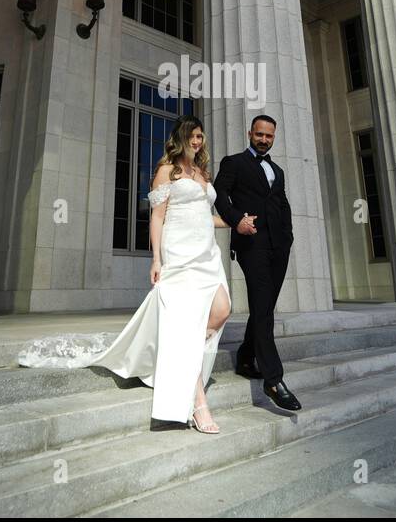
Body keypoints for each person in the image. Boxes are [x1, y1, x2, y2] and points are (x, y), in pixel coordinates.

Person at [16, 115, 234, 433]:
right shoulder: (165, 171)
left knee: (222, 309)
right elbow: (158, 217)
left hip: (207, 254)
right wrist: (156, 259)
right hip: (180, 253)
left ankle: (180, 352)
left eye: (201, 136)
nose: (198, 141)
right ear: (180, 138)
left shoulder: (202, 173)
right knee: (188, 325)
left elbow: (205, 214)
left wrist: (232, 220)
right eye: (192, 136)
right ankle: (199, 404)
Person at [212, 114, 302, 412]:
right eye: (260, 134)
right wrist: (236, 220)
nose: (264, 139)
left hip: (279, 246)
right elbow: (219, 196)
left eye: (269, 136)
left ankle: (247, 357)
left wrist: (288, 236)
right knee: (263, 308)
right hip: (251, 245)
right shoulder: (233, 163)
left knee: (264, 306)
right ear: (250, 133)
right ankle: (273, 380)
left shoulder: (277, 169)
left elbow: (282, 203)